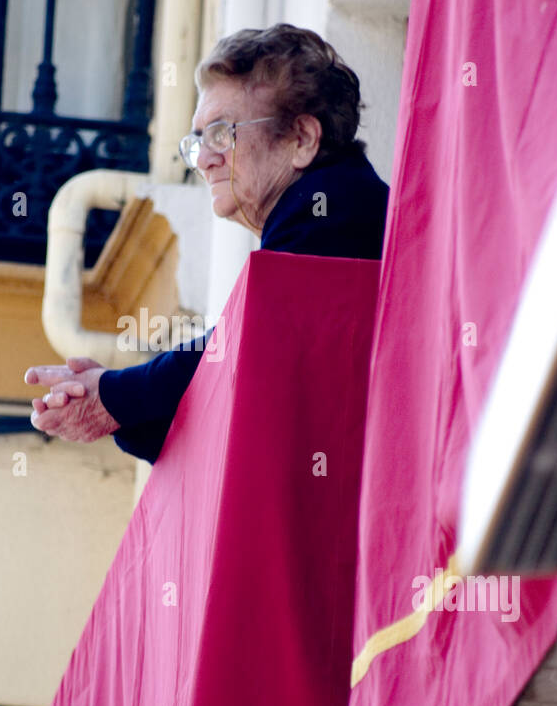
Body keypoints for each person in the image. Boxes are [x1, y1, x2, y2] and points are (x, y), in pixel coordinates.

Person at [27, 23, 389, 464]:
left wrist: (117, 395)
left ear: (302, 139)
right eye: (197, 141)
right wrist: (117, 406)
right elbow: (232, 380)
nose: (205, 159)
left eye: (221, 134)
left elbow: (250, 343)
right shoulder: (316, 210)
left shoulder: (333, 203)